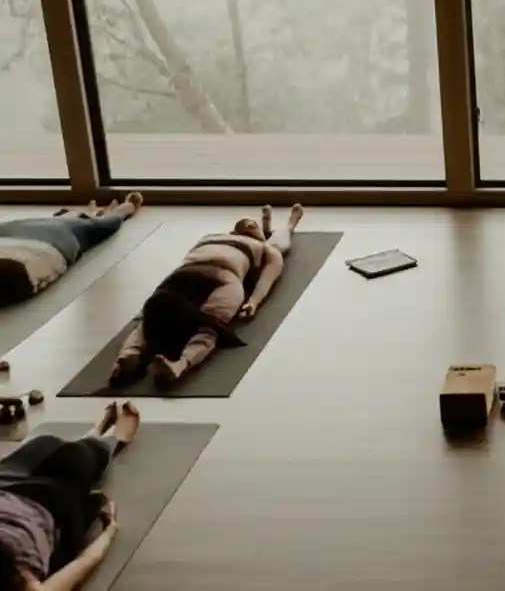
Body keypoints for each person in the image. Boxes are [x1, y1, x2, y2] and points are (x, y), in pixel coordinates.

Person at [110, 203, 304, 386]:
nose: (248, 224)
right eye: (246, 224)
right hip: (184, 274)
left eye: (253, 225)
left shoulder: (263, 247)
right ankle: (128, 357)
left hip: (225, 278)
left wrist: (254, 300)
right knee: (151, 315)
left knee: (210, 326)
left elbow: (272, 271)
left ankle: (179, 365)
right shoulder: (211, 237)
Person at [0, 401, 140, 591]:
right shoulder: (19, 581)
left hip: (6, 486)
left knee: (43, 443)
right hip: (47, 504)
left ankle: (95, 432)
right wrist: (110, 531)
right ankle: (111, 438)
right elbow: (83, 564)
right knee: (76, 457)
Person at [0, 194, 145, 307]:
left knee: (104, 225)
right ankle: (125, 208)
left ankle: (123, 208)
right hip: (44, 240)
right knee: (104, 225)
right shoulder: (65, 230)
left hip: (42, 240)